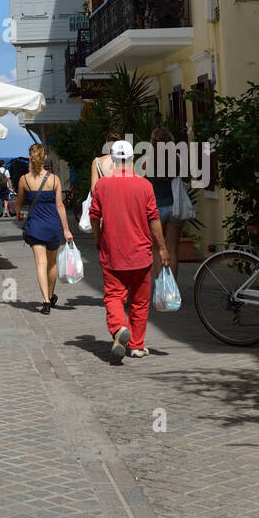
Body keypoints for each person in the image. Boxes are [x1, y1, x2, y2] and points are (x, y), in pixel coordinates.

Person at [89, 138, 170, 362]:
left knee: (114, 296)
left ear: (113, 160)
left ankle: (118, 328)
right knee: (139, 301)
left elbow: (94, 216)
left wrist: (97, 239)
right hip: (141, 254)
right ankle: (136, 345)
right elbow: (154, 219)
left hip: (112, 252)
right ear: (133, 158)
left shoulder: (102, 185)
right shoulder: (145, 186)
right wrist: (162, 248)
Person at [16, 144, 73, 313]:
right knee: (52, 264)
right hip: (53, 226)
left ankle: (46, 302)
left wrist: (19, 213)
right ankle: (51, 293)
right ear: (45, 158)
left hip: (35, 227)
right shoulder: (54, 179)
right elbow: (60, 206)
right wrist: (67, 230)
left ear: (30, 158)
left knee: (40, 263)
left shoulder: (24, 180)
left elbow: (19, 202)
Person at [147, 125, 185, 282]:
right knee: (173, 249)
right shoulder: (176, 160)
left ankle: (161, 288)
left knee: (156, 249)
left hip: (155, 209)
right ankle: (173, 289)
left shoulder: (147, 162)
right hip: (175, 207)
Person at [89, 131, 121, 196]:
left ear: (106, 143)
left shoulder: (97, 162)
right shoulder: (126, 161)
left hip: (104, 201)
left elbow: (93, 189)